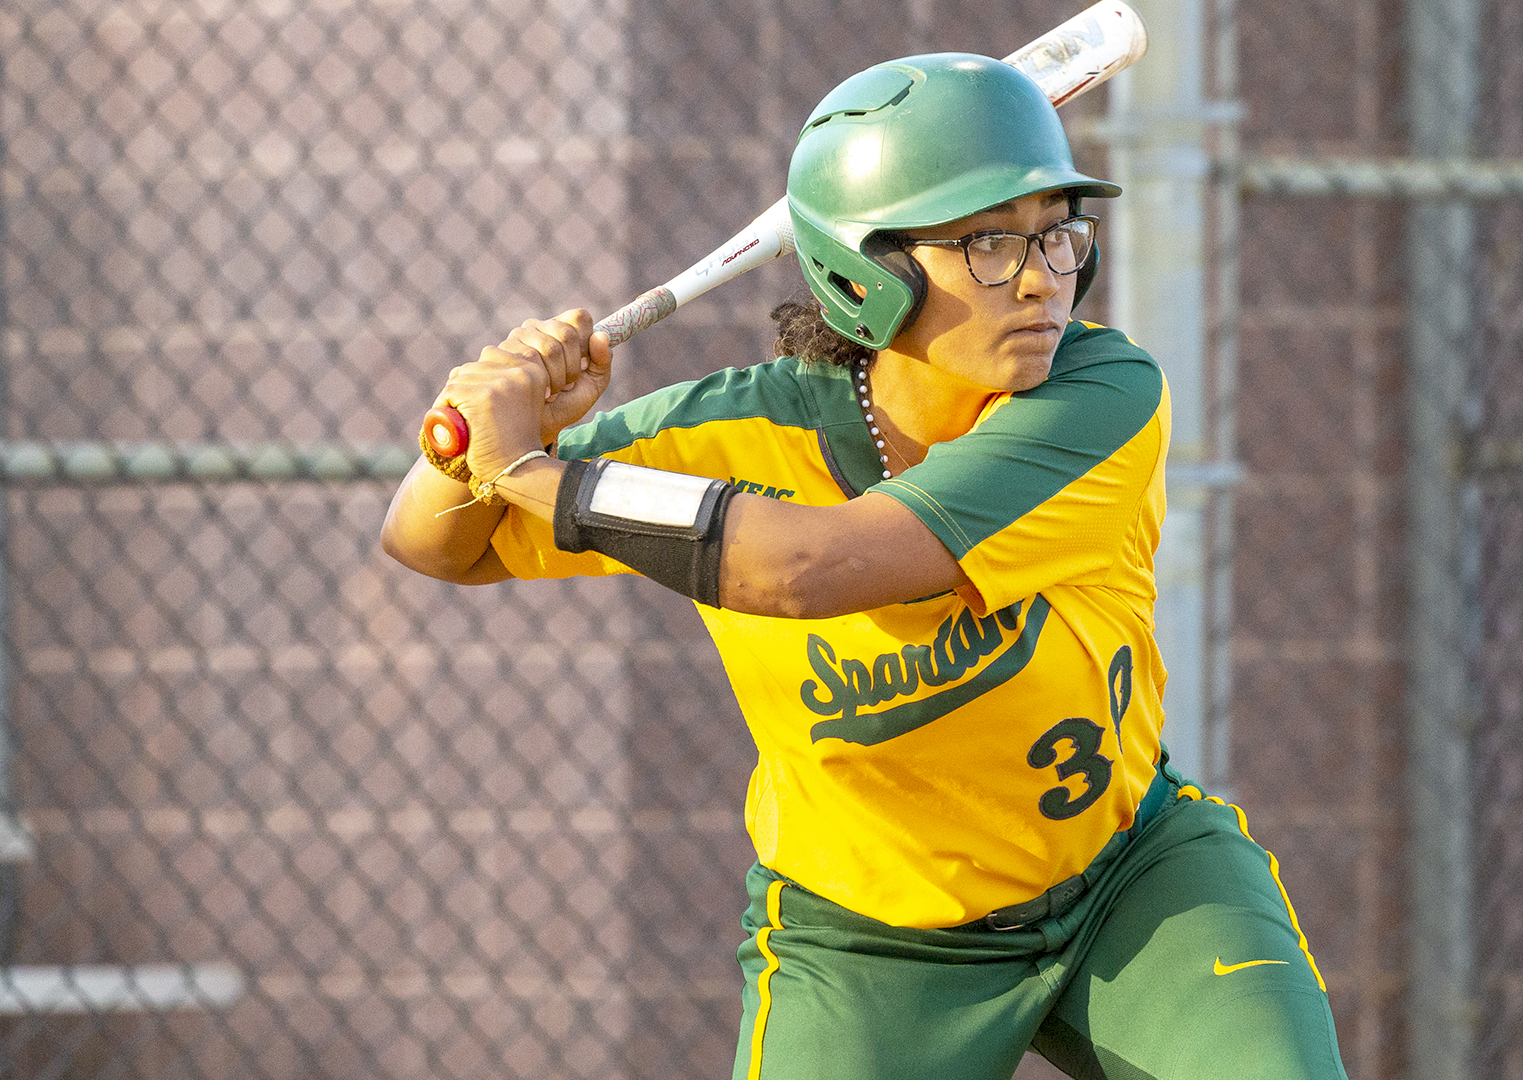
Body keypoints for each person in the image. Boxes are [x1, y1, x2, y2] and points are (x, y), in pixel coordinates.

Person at [383, 52, 1348, 1080]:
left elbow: (814, 567)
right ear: (863, 277)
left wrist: (532, 469)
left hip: (1130, 883)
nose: (1038, 278)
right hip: (867, 944)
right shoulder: (733, 428)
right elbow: (430, 539)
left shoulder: (1096, 397)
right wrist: (482, 438)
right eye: (986, 243)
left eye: (1057, 234)